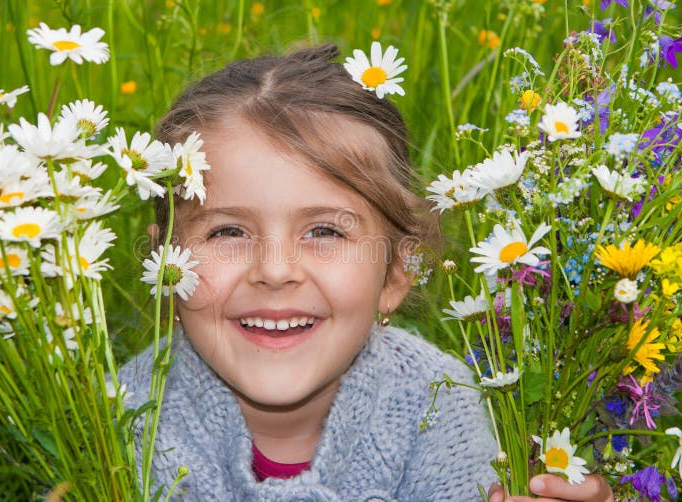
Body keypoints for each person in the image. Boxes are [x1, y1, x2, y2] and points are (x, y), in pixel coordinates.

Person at [119, 44, 613, 501]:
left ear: (397, 272)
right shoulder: (121, 420)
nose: (274, 271)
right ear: (165, 265)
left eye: (325, 232)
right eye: (227, 232)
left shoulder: (434, 407)